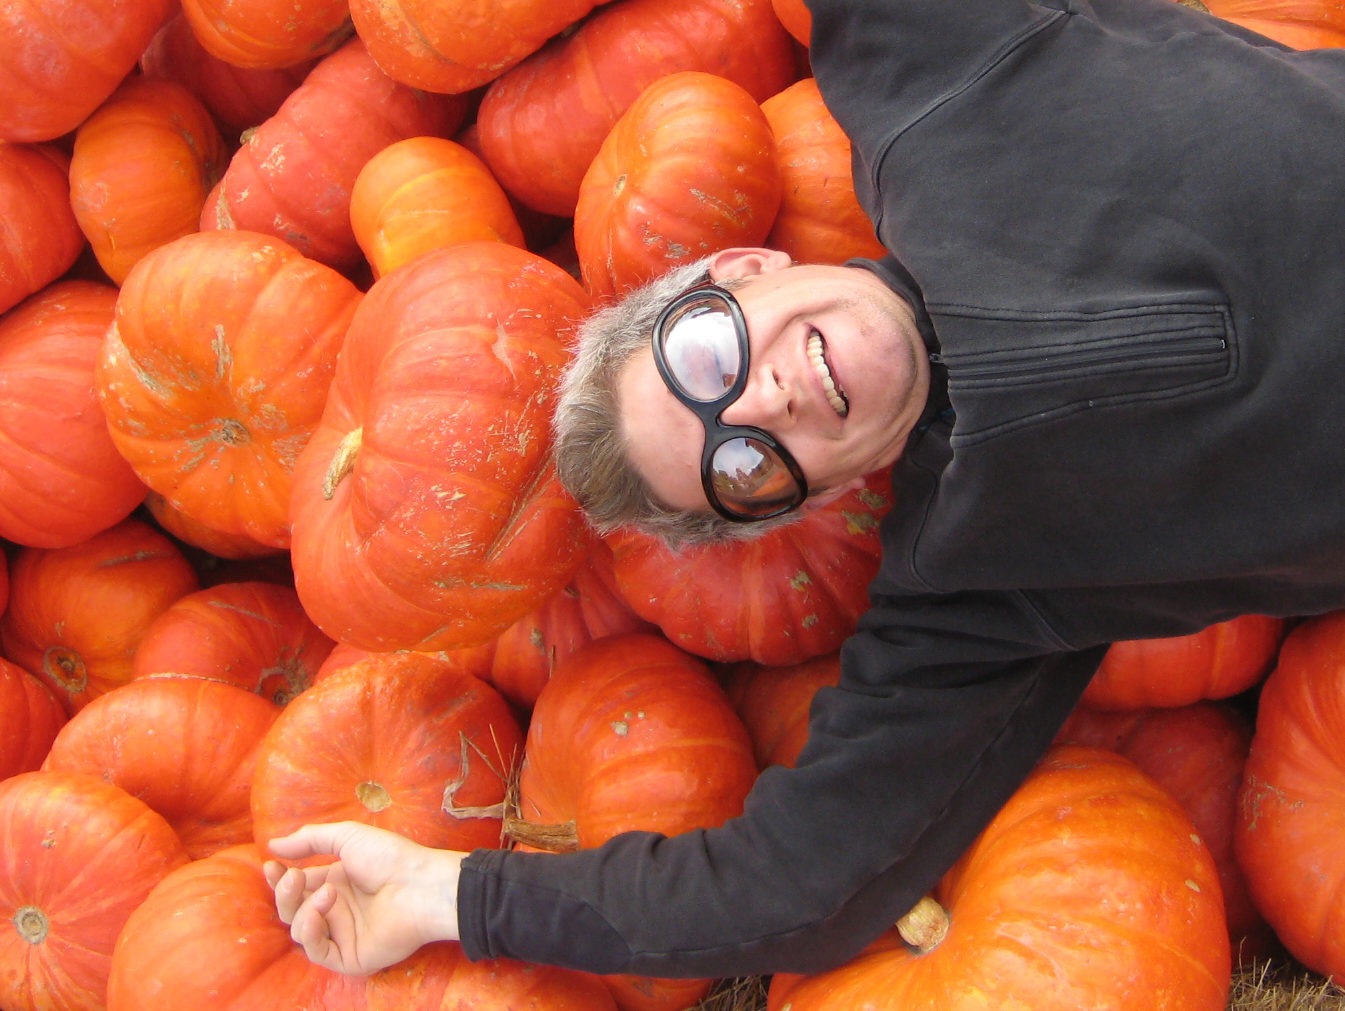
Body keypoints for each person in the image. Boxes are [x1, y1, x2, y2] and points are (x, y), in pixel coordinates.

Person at [266, 0, 1345, 982]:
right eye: (736, 464)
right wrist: (441, 894)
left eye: (702, 361)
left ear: (736, 272)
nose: (759, 400)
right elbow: (790, 889)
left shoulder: (933, 80)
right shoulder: (975, 588)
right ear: (802, 500)